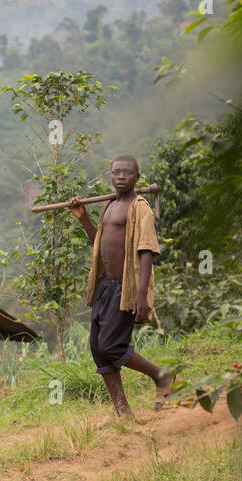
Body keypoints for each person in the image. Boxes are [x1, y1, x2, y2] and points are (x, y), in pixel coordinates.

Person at [67, 155, 175, 419]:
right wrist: (83, 218)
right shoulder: (109, 205)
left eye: (127, 173)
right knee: (98, 348)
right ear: (110, 175)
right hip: (105, 285)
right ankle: (123, 414)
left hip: (126, 287)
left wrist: (141, 294)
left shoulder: (140, 207)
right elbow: (99, 243)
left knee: (111, 345)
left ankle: (162, 376)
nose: (120, 177)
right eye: (116, 172)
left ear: (137, 177)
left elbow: (147, 250)